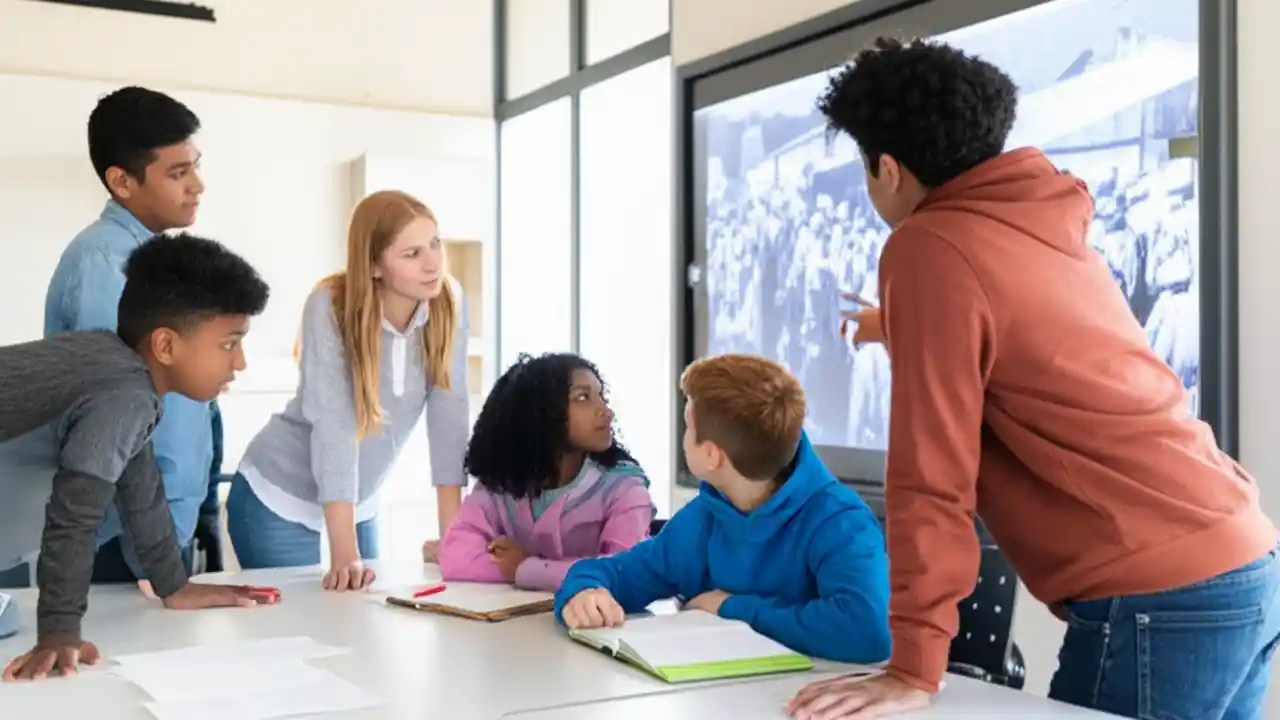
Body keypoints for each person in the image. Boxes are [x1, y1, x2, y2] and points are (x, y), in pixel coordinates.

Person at [788, 37, 1279, 720]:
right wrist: (893, 325)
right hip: (1242, 557)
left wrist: (913, 666)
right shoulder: (1035, 215)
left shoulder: (928, 245)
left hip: (1157, 591)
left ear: (889, 170)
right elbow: (1030, 345)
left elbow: (932, 477)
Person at [1, 234, 276, 682]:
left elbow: (140, 485)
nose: (240, 362)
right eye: (229, 343)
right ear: (165, 346)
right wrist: (58, 633)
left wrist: (174, 584)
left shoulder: (117, 371)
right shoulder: (126, 392)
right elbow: (75, 514)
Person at [556, 354, 890, 664]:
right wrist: (583, 592)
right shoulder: (703, 518)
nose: (684, 436)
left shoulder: (841, 522)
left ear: (712, 456)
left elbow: (865, 629)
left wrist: (730, 608)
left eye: (688, 425)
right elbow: (619, 573)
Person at [228, 190, 470, 591]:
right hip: (281, 498)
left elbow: (450, 422)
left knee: (363, 633)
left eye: (435, 244)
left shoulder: (447, 302)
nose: (433, 263)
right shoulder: (331, 306)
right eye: (411, 254)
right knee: (297, 635)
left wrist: (453, 539)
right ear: (375, 265)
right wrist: (344, 553)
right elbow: (335, 426)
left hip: (358, 502)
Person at [42, 85, 223, 591]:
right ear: (121, 181)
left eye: (196, 166)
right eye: (178, 172)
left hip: (163, 526)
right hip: (128, 542)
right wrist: (151, 551)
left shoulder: (154, 262)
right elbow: (115, 418)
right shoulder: (105, 264)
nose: (198, 185)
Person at [438, 353, 653, 592]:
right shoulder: (500, 485)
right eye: (583, 397)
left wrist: (525, 568)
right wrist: (575, 573)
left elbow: (624, 574)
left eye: (601, 396)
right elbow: (456, 559)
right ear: (540, 413)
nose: (606, 411)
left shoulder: (625, 488)